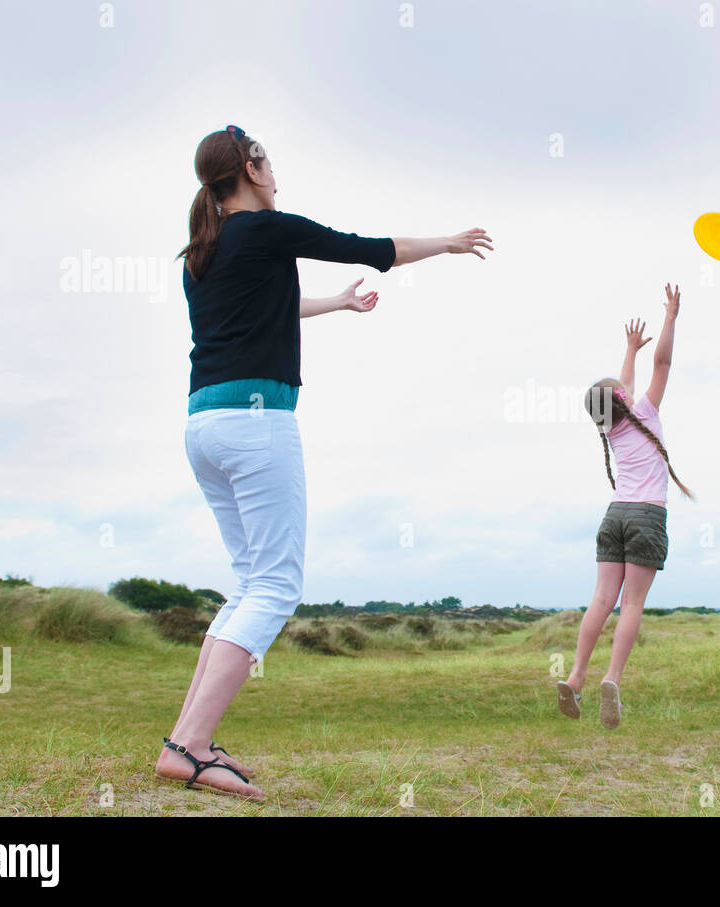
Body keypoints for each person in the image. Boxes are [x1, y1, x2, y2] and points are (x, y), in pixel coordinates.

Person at [158, 125, 493, 800]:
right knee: (277, 587)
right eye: (268, 162)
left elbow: (264, 311)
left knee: (250, 580)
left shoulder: (203, 250)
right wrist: (451, 243)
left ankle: (183, 740)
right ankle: (190, 745)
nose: (276, 174)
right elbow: (371, 249)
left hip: (205, 424)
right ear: (251, 168)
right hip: (257, 423)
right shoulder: (267, 227)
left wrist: (337, 302)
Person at [557, 284, 694, 729]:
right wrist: (671, 316)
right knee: (631, 604)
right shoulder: (646, 413)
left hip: (613, 515)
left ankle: (576, 676)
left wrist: (629, 349)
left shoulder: (612, 428)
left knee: (601, 598)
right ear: (622, 401)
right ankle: (612, 679)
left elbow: (623, 385)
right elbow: (665, 363)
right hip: (646, 515)